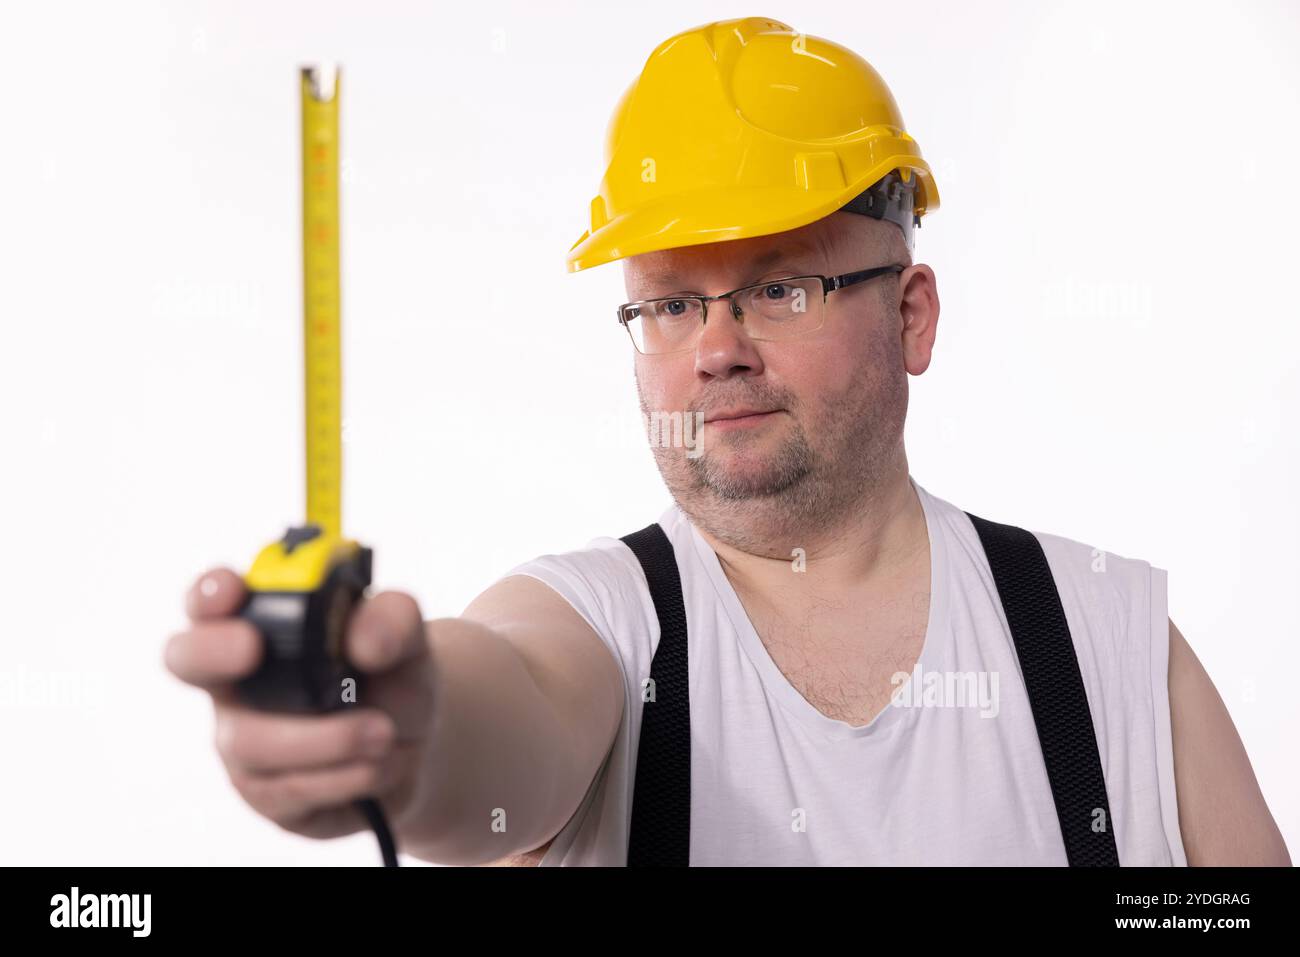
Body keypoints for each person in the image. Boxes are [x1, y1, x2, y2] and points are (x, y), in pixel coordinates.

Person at [164, 17, 1290, 866]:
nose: (714, 350)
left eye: (780, 287)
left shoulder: (1107, 643)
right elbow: (495, 710)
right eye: (667, 304)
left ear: (911, 316)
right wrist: (403, 729)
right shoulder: (601, 623)